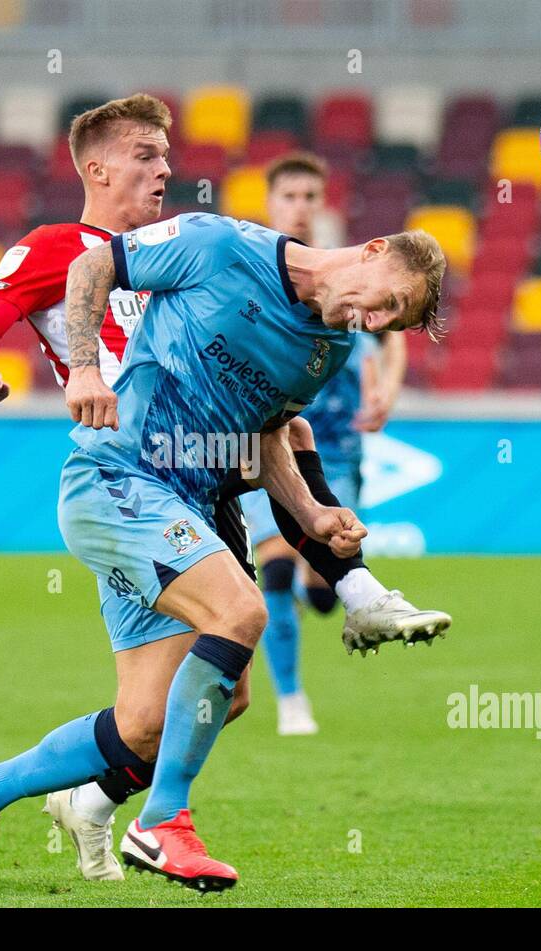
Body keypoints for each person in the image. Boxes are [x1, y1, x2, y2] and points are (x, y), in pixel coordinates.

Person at [0, 94, 447, 888]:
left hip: (195, 498)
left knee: (167, 715)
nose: (373, 317)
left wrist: (310, 511)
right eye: (384, 299)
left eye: (392, 319)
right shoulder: (210, 245)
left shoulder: (326, 346)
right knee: (242, 612)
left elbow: (270, 433)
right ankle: (161, 821)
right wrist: (78, 368)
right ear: (373, 247)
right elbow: (85, 269)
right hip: (120, 476)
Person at [241, 152, 410, 735]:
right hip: (271, 439)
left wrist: (386, 388)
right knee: (277, 569)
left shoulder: (349, 268)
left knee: (324, 580)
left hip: (338, 446)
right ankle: (291, 700)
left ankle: (331, 595)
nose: (300, 207)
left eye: (310, 197)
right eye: (289, 196)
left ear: (323, 203)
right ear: (271, 203)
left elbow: (390, 334)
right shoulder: (255, 265)